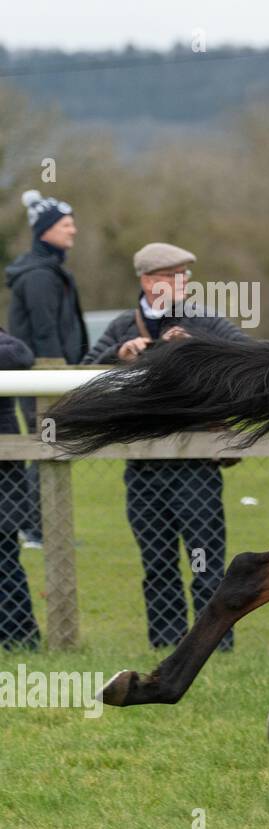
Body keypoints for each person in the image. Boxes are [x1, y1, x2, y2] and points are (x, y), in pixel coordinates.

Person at [83, 242, 250, 650]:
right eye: (173, 277)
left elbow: (247, 353)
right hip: (142, 462)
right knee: (156, 562)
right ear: (147, 281)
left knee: (206, 559)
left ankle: (215, 645)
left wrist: (194, 343)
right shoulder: (125, 324)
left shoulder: (204, 320)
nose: (182, 285)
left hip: (196, 459)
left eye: (184, 277)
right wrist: (118, 353)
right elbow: (84, 370)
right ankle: (165, 645)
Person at [4, 190, 87, 548]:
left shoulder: (50, 272)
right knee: (44, 449)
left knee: (49, 448)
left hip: (49, 379)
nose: (73, 231)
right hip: (42, 380)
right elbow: (44, 333)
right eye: (66, 224)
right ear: (46, 231)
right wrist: (59, 383)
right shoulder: (39, 276)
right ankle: (35, 530)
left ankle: (38, 529)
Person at [0, 326, 39, 651]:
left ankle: (19, 638)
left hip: (4, 466)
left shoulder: (8, 346)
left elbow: (19, 354)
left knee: (3, 556)